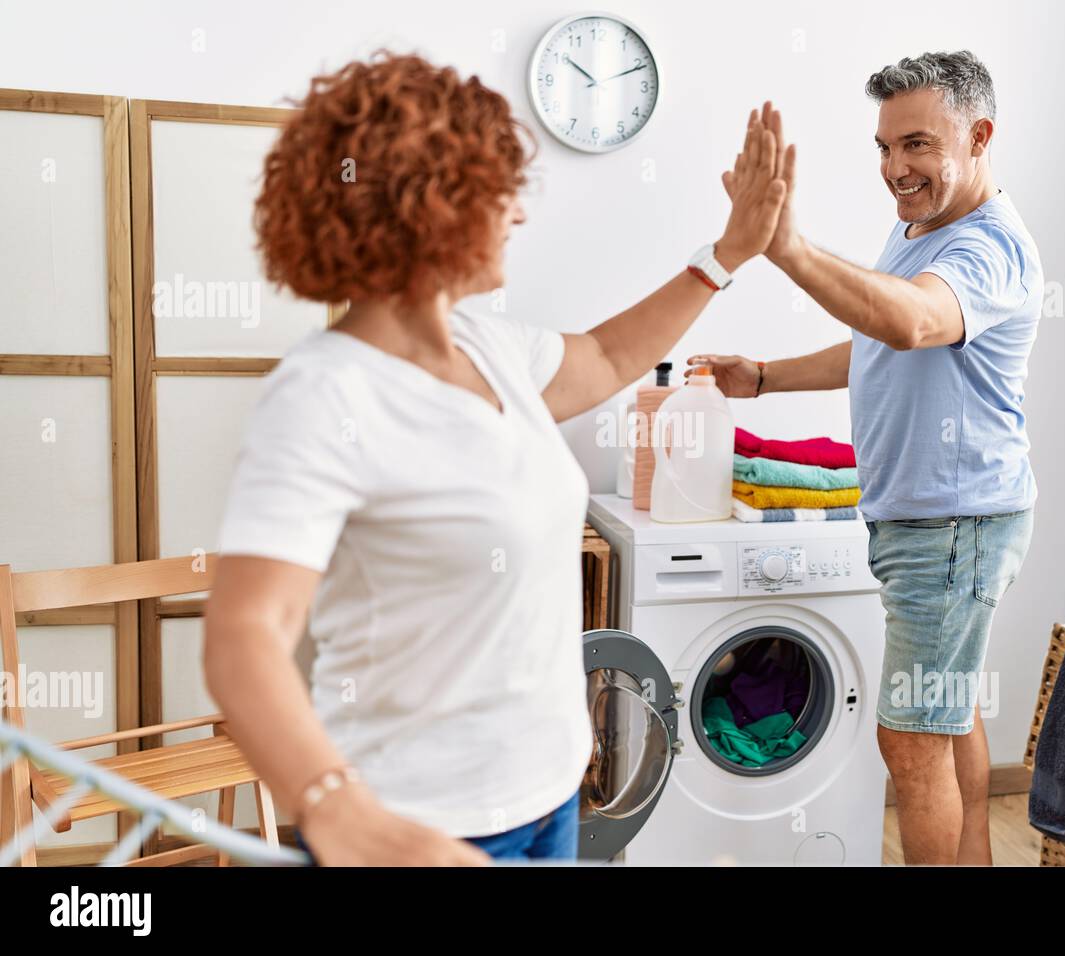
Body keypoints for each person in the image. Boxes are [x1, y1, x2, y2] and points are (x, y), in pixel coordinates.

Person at [202, 51, 786, 865]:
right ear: (427, 207)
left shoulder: (487, 343)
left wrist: (726, 255)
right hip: (419, 823)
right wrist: (334, 808)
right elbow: (243, 635)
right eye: (495, 191)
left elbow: (613, 354)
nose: (515, 215)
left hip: (547, 793)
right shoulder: (325, 394)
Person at [688, 51, 1041, 865]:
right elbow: (883, 339)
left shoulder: (990, 250)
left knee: (910, 740)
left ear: (979, 134)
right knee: (947, 720)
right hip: (933, 519)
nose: (895, 168)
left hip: (956, 525)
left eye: (916, 145)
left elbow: (914, 321)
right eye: (883, 147)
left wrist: (790, 250)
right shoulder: (920, 228)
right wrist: (767, 379)